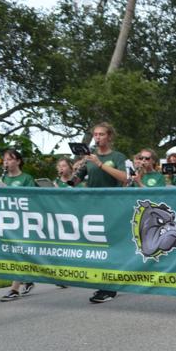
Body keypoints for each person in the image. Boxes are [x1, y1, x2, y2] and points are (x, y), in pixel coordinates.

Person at [70, 122, 128, 303]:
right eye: (95, 134)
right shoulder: (90, 158)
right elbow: (75, 181)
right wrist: (75, 171)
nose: (97, 137)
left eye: (101, 134)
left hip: (113, 206)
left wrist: (100, 165)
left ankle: (110, 287)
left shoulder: (117, 156)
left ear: (109, 136)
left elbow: (125, 178)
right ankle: (104, 284)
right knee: (98, 246)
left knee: (111, 245)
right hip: (92, 207)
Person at [0, 149, 36, 302]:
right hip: (6, 221)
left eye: (10, 159)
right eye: (4, 160)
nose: (6, 162)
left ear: (18, 161)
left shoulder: (26, 178)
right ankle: (27, 278)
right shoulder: (2, 179)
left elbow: (32, 198)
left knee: (18, 252)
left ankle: (14, 289)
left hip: (22, 221)